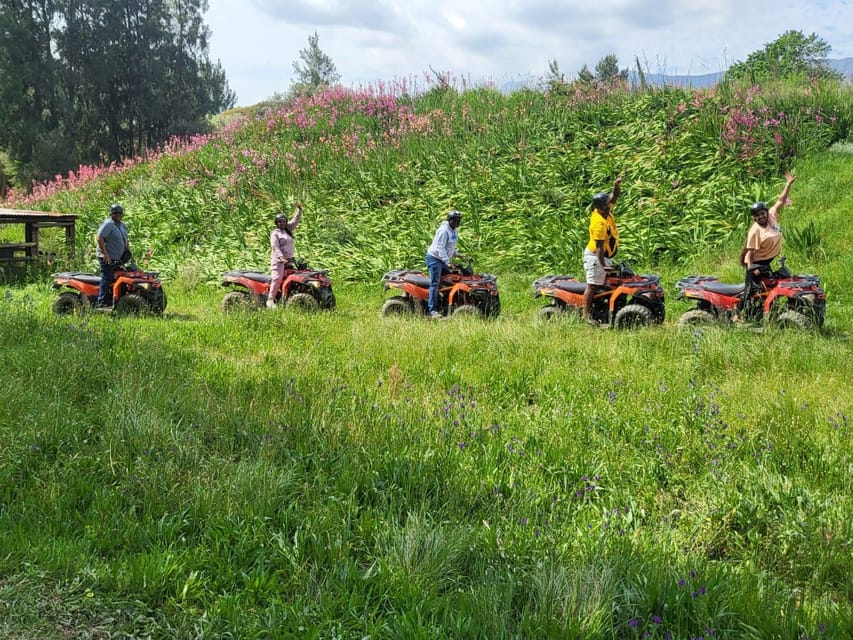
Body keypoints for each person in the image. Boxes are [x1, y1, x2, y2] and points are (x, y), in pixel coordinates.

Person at [734, 171, 796, 321]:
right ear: (754, 218)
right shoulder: (755, 231)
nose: (761, 217)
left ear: (766, 212)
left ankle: (762, 312)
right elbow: (749, 254)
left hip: (768, 262)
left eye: (763, 213)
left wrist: (788, 184)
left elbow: (780, 201)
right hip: (756, 264)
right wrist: (752, 268)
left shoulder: (772, 217)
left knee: (772, 286)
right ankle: (736, 314)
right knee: (749, 290)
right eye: (757, 215)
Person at [582, 177, 622, 324]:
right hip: (595, 256)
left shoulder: (605, 211)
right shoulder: (598, 223)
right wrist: (603, 264)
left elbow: (614, 196)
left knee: (605, 284)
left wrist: (616, 185)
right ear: (600, 207)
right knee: (592, 285)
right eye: (606, 204)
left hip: (604, 256)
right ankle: (585, 316)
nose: (609, 204)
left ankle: (601, 310)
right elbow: (599, 248)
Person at [425, 209, 463, 319]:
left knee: (450, 279)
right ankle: (432, 310)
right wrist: (448, 262)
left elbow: (450, 247)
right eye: (456, 220)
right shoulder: (443, 231)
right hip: (434, 259)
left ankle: (445, 303)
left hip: (442, 259)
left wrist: (458, 255)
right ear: (450, 220)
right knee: (435, 283)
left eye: (459, 220)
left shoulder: (454, 230)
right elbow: (440, 248)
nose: (458, 222)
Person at [267, 202, 303, 308]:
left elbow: (295, 220)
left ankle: (287, 297)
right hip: (278, 261)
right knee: (277, 278)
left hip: (289, 260)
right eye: (279, 222)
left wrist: (299, 210)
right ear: (276, 223)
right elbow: (275, 247)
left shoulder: (288, 229)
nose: (282, 223)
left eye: (283, 221)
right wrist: (281, 258)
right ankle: (270, 300)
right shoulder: (275, 233)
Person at [95, 203, 130, 307]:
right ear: (111, 214)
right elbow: (99, 238)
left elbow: (126, 239)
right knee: (108, 276)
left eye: (119, 213)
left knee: (122, 276)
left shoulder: (122, 225)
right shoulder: (108, 224)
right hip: (106, 257)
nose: (117, 215)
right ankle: (102, 301)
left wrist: (127, 251)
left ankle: (118, 299)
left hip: (119, 257)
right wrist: (105, 254)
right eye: (115, 213)